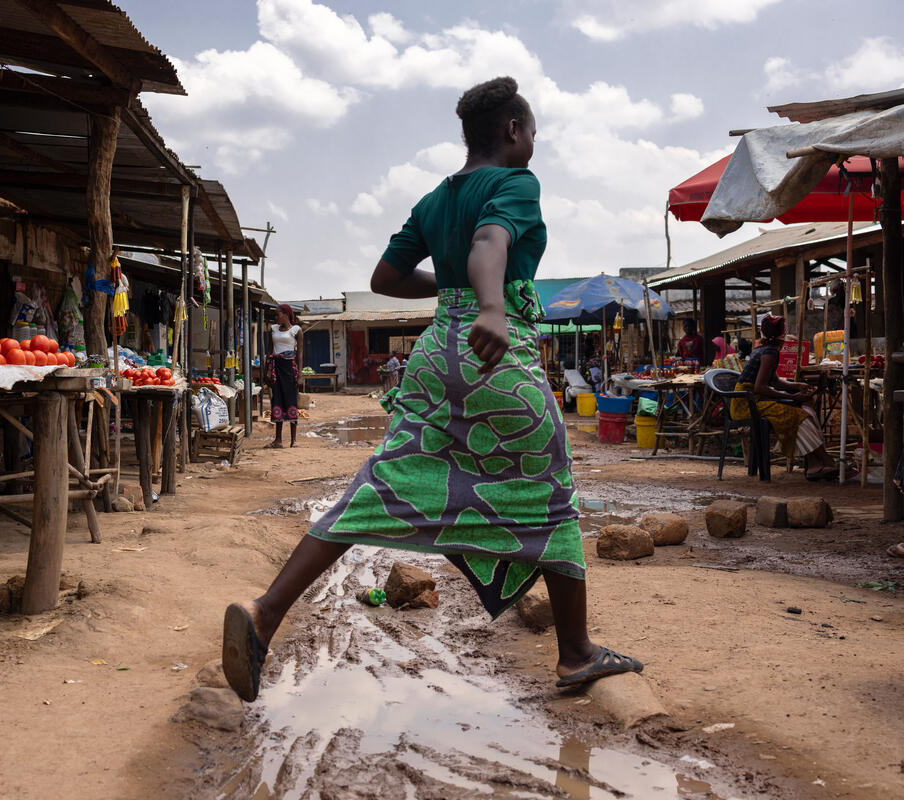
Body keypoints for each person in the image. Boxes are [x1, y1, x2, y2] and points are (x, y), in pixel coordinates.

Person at [222, 76, 642, 703]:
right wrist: (491, 305)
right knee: (552, 493)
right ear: (513, 131)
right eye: (533, 131)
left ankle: (266, 612)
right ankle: (576, 654)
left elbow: (386, 277)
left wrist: (452, 288)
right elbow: (489, 242)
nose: (535, 142)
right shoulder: (515, 184)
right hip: (492, 352)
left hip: (434, 356)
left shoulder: (435, 198)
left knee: (382, 483)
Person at [730, 315, 838, 481]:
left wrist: (796, 386)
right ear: (783, 333)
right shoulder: (770, 352)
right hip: (747, 403)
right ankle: (826, 461)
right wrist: (792, 395)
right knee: (796, 414)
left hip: (754, 399)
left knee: (803, 409)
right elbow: (760, 387)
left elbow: (773, 381)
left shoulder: (764, 348)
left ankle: (815, 463)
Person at [266, 304, 303, 448]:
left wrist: (300, 374)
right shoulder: (273, 329)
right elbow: (269, 352)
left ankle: (294, 440)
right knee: (277, 400)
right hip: (276, 368)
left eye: (277, 314)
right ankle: (278, 440)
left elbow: (299, 354)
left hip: (290, 369)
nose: (276, 317)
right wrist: (267, 371)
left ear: (286, 314)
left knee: (292, 400)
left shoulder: (296, 330)